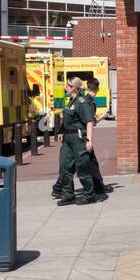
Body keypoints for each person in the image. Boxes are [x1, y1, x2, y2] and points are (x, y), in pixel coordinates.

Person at [56, 76, 98, 205]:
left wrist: (89, 140)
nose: (65, 88)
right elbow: (67, 119)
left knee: (82, 167)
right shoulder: (71, 101)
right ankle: (68, 195)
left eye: (67, 86)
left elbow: (89, 122)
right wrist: (61, 131)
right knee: (64, 166)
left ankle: (89, 195)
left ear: (74, 87)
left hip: (79, 138)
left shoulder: (82, 102)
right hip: (68, 139)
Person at [84, 77, 108, 195]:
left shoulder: (82, 100)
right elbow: (91, 123)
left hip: (76, 135)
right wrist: (102, 117)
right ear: (97, 89)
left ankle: (58, 187)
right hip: (84, 136)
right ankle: (99, 186)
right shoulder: (91, 103)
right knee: (92, 162)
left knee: (72, 164)